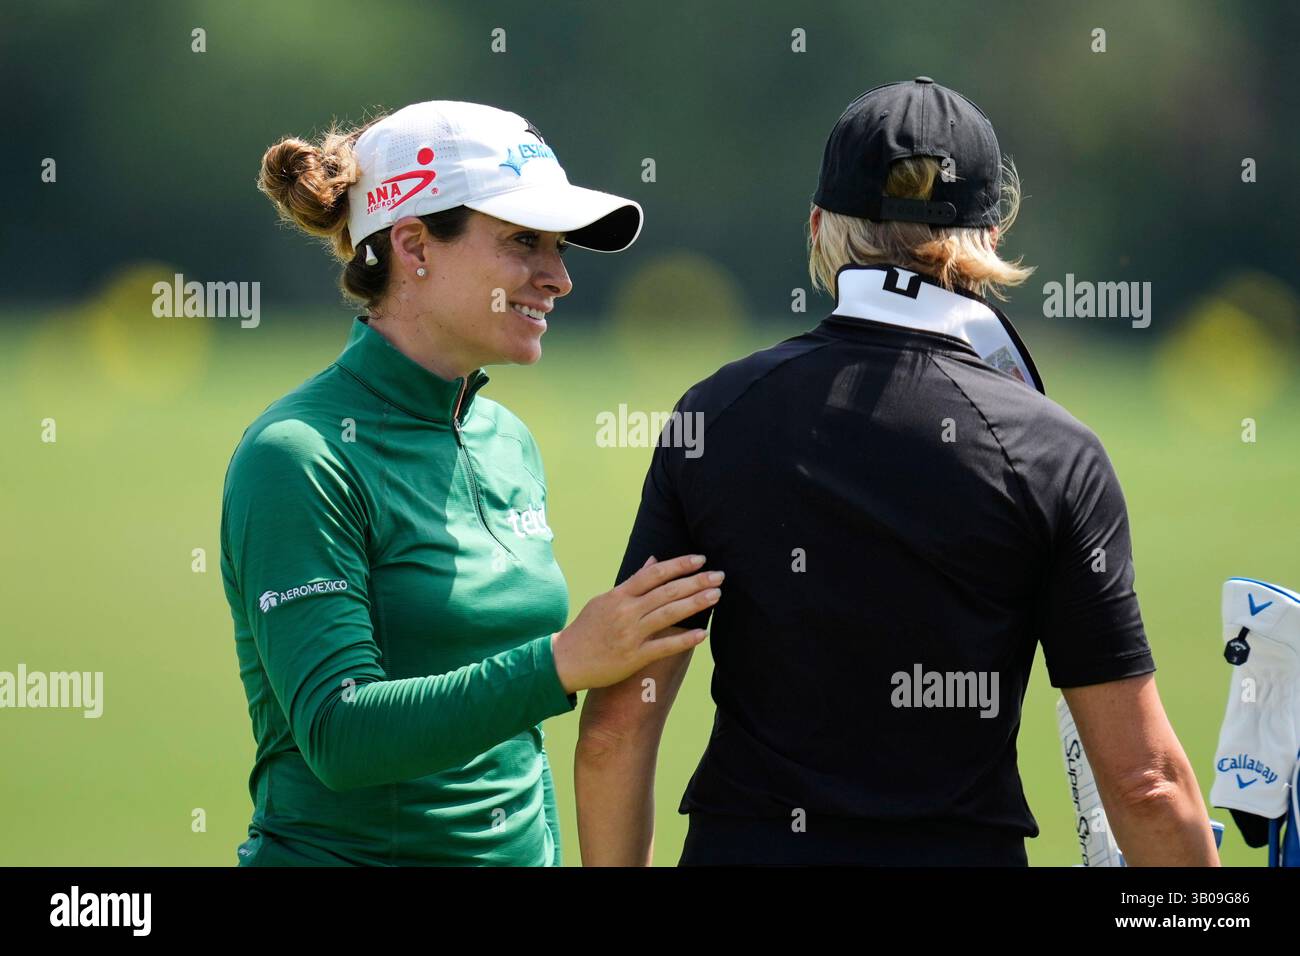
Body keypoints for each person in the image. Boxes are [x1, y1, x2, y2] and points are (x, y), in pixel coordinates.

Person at [574, 78, 1219, 866]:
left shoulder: (715, 412)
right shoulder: (1054, 449)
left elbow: (616, 727)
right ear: (989, 235)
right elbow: (1147, 783)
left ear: (820, 228)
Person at [222, 100, 721, 866]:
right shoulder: (297, 455)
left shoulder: (505, 441)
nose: (557, 278)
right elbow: (338, 734)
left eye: (558, 248)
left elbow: (512, 747)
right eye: (524, 241)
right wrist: (560, 662)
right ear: (414, 244)